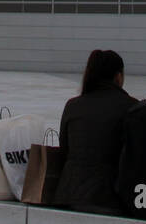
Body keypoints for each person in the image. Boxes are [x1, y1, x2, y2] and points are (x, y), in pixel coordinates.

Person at [53, 50, 138, 215]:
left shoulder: (73, 105)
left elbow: (64, 151)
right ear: (118, 77)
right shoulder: (131, 107)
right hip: (109, 199)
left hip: (67, 196)